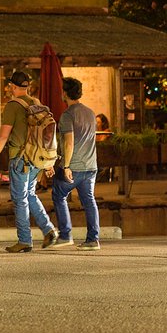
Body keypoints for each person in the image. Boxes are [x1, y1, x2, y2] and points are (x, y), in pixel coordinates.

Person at [0, 72, 58, 253]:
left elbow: (4, 135)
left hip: (20, 158)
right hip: (36, 159)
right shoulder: (37, 103)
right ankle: (49, 229)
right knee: (30, 194)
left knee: (20, 199)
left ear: (12, 86)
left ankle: (24, 240)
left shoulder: (13, 106)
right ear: (27, 86)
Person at [51, 78, 101, 251]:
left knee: (58, 194)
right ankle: (93, 239)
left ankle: (65, 235)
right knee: (89, 200)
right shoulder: (90, 112)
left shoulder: (67, 115)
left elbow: (69, 143)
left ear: (65, 93)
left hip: (75, 166)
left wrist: (66, 166)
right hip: (91, 165)